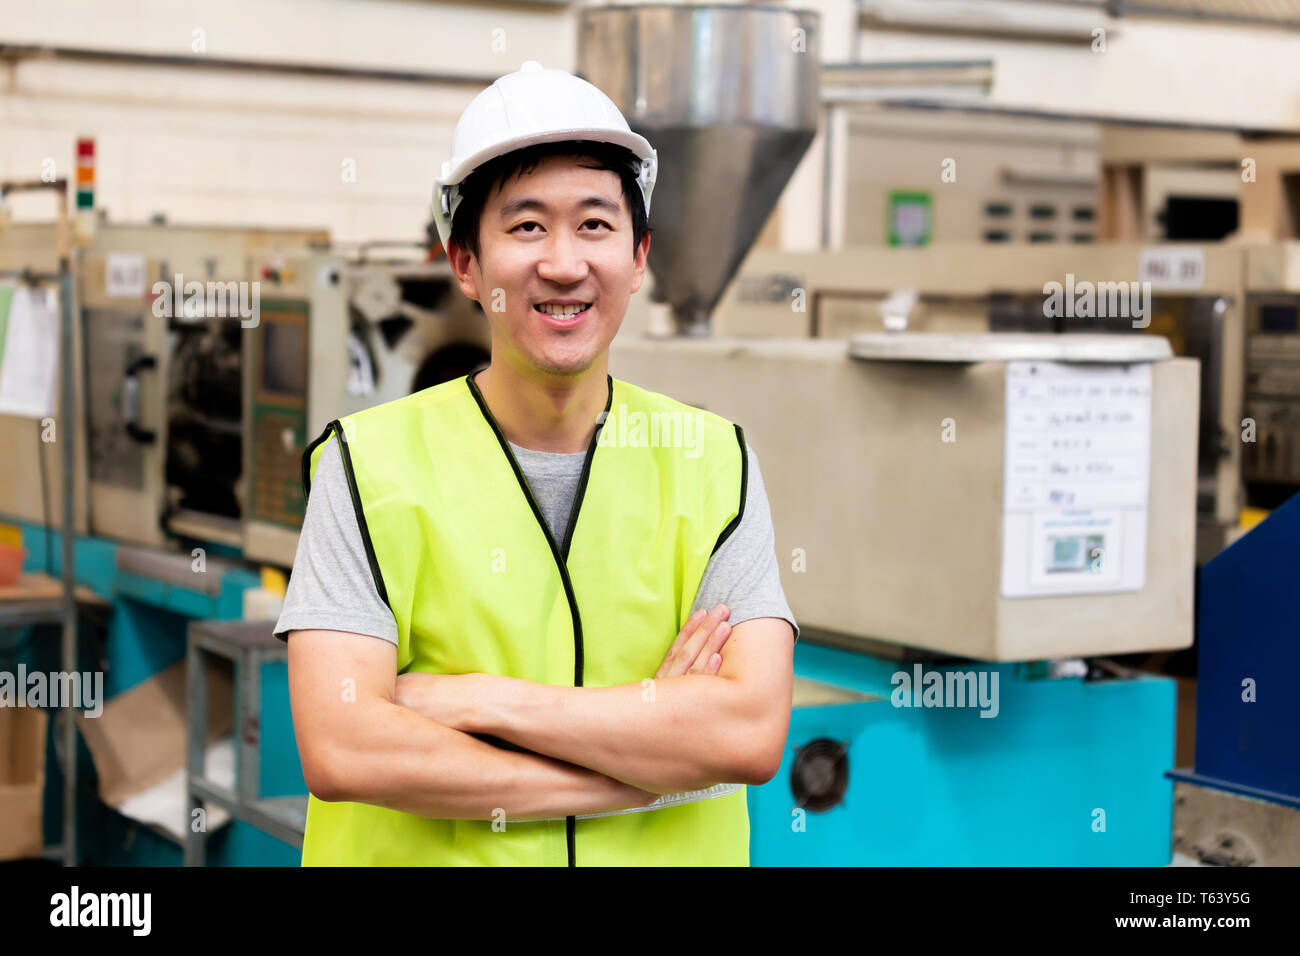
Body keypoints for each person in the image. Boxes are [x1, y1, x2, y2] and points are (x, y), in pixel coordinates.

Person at [277, 61, 798, 866]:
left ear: (639, 256)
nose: (563, 263)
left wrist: (483, 702)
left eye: (595, 224)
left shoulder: (713, 463)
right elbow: (345, 746)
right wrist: (645, 768)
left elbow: (750, 733)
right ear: (465, 265)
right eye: (525, 227)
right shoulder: (365, 468)